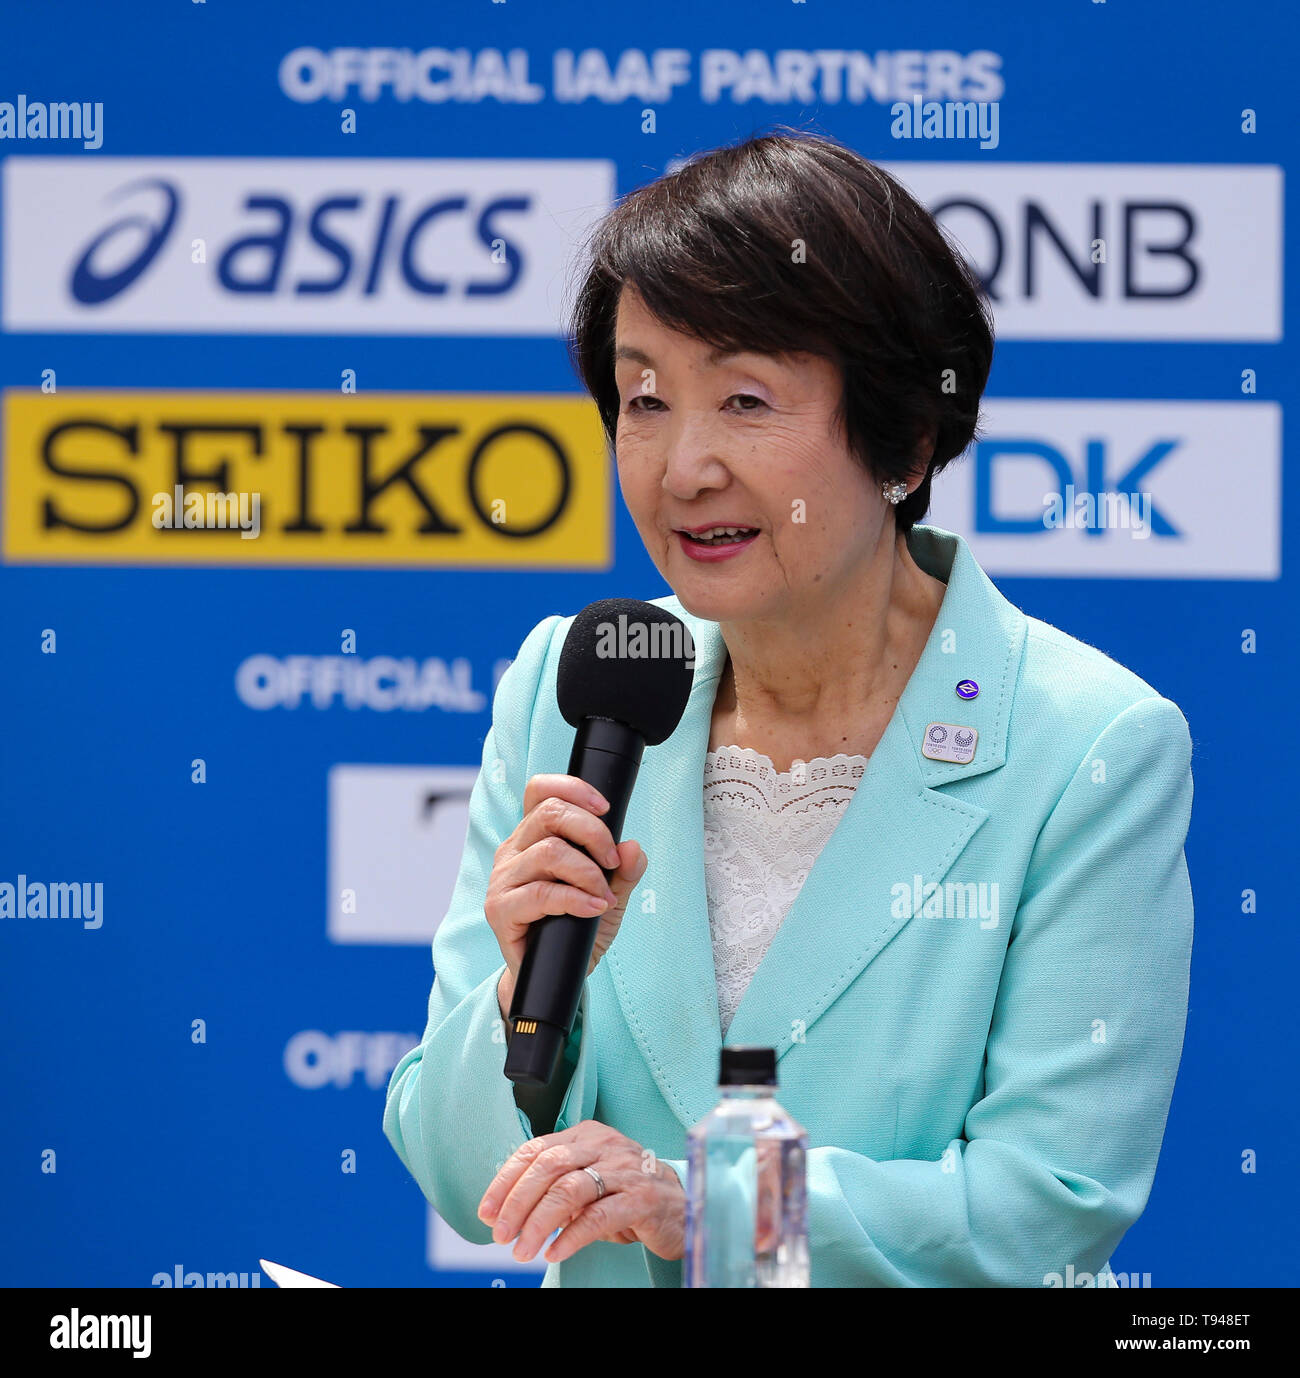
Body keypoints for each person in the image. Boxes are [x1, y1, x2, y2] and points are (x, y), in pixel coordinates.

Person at [383, 130, 1195, 1287]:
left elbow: (1046, 1206)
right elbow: (458, 1175)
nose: (682, 467)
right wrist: (520, 994)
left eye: (746, 399)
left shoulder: (1085, 744)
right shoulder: (574, 679)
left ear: (905, 438)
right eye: (645, 399)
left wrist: (711, 1207)